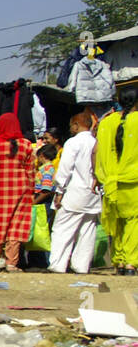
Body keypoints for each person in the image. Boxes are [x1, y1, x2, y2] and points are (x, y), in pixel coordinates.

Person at [0, 114, 36, 272]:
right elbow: (30, 171)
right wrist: (30, 192)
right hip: (21, 191)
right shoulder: (26, 144)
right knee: (15, 227)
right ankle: (11, 263)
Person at [46, 113, 100, 274]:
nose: (70, 129)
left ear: (76, 125)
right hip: (93, 193)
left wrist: (59, 191)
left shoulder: (73, 142)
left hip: (74, 192)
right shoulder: (97, 142)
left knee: (63, 229)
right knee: (88, 230)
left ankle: (57, 264)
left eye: (71, 126)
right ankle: (81, 266)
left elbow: (65, 169)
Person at [95, 86, 138, 276]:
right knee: (133, 222)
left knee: (117, 223)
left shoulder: (106, 122)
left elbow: (97, 152)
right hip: (133, 180)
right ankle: (130, 261)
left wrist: (99, 177)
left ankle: (119, 261)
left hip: (111, 181)